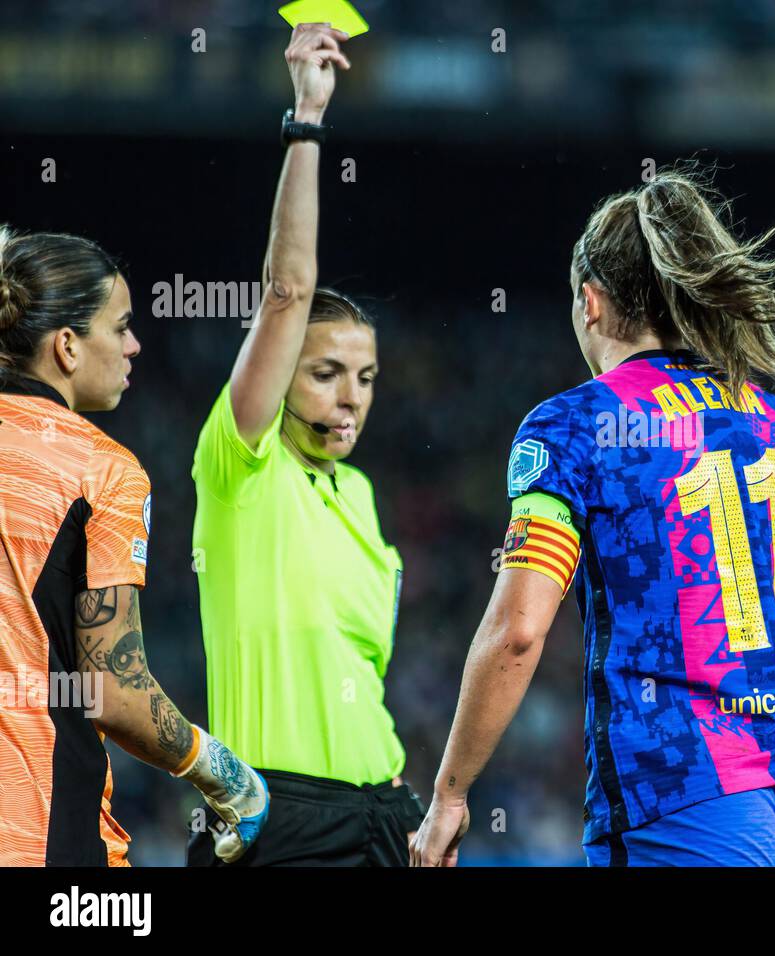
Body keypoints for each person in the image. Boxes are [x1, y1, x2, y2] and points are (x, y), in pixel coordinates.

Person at [411, 167, 775, 867]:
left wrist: (451, 794)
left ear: (590, 302)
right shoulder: (767, 415)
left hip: (684, 794)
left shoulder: (571, 425)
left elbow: (520, 631)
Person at [187, 22, 422, 867]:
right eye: (324, 372)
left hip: (387, 812)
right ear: (281, 373)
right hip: (275, 816)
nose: (350, 396)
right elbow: (289, 293)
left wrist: (413, 813)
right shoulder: (239, 465)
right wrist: (308, 121)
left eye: (365, 376)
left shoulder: (357, 493)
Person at [0, 226, 267, 866]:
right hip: (36, 829)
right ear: (66, 345)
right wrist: (227, 776)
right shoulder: (102, 471)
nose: (135, 345)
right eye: (120, 328)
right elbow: (114, 693)